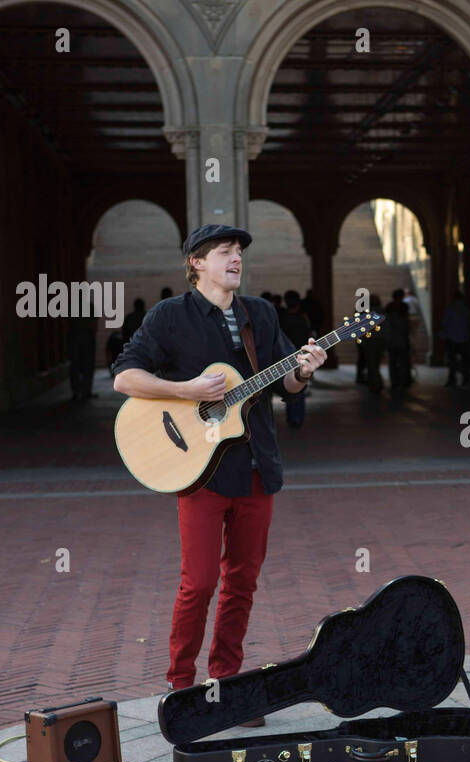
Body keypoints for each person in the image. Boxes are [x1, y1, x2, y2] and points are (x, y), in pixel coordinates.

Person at [112, 224, 326, 725]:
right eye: (224, 253)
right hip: (201, 471)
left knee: (242, 581)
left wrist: (306, 369)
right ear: (197, 264)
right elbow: (125, 375)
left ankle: (226, 682)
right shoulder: (170, 316)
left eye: (238, 253)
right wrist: (186, 391)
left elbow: (288, 383)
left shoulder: (262, 313)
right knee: (201, 581)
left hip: (256, 466)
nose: (235, 260)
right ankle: (180, 684)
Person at [280, 290, 312, 428]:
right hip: (302, 355)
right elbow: (309, 335)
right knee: (300, 386)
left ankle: (291, 417)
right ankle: (297, 417)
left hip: (286, 357)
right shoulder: (302, 319)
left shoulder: (281, 319)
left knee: (289, 388)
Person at [440, 291, 470, 386]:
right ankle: (465, 378)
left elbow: (444, 323)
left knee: (452, 360)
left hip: (452, 338)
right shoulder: (466, 309)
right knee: (465, 360)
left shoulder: (450, 309)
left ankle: (452, 379)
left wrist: (444, 334)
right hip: (464, 337)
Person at [384, 288, 412, 395]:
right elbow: (406, 325)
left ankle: (395, 381)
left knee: (393, 362)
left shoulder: (389, 307)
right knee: (403, 362)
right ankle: (402, 381)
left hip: (392, 340)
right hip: (401, 339)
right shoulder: (404, 308)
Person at [362, 293, 385, 393]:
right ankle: (377, 383)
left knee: (371, 364)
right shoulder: (382, 312)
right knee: (376, 363)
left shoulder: (366, 313)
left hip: (370, 341)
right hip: (380, 340)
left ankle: (375, 383)